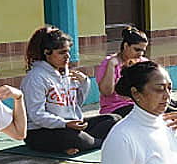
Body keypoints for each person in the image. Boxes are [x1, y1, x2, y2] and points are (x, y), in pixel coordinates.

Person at [21, 25, 120, 155]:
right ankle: (95, 142)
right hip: (41, 132)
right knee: (72, 138)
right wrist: (65, 124)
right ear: (47, 52)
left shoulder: (67, 74)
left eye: (68, 51)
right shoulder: (35, 78)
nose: (67, 56)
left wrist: (85, 83)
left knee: (115, 119)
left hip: (70, 126)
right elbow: (37, 115)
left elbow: (75, 104)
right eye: (62, 52)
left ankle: (84, 143)